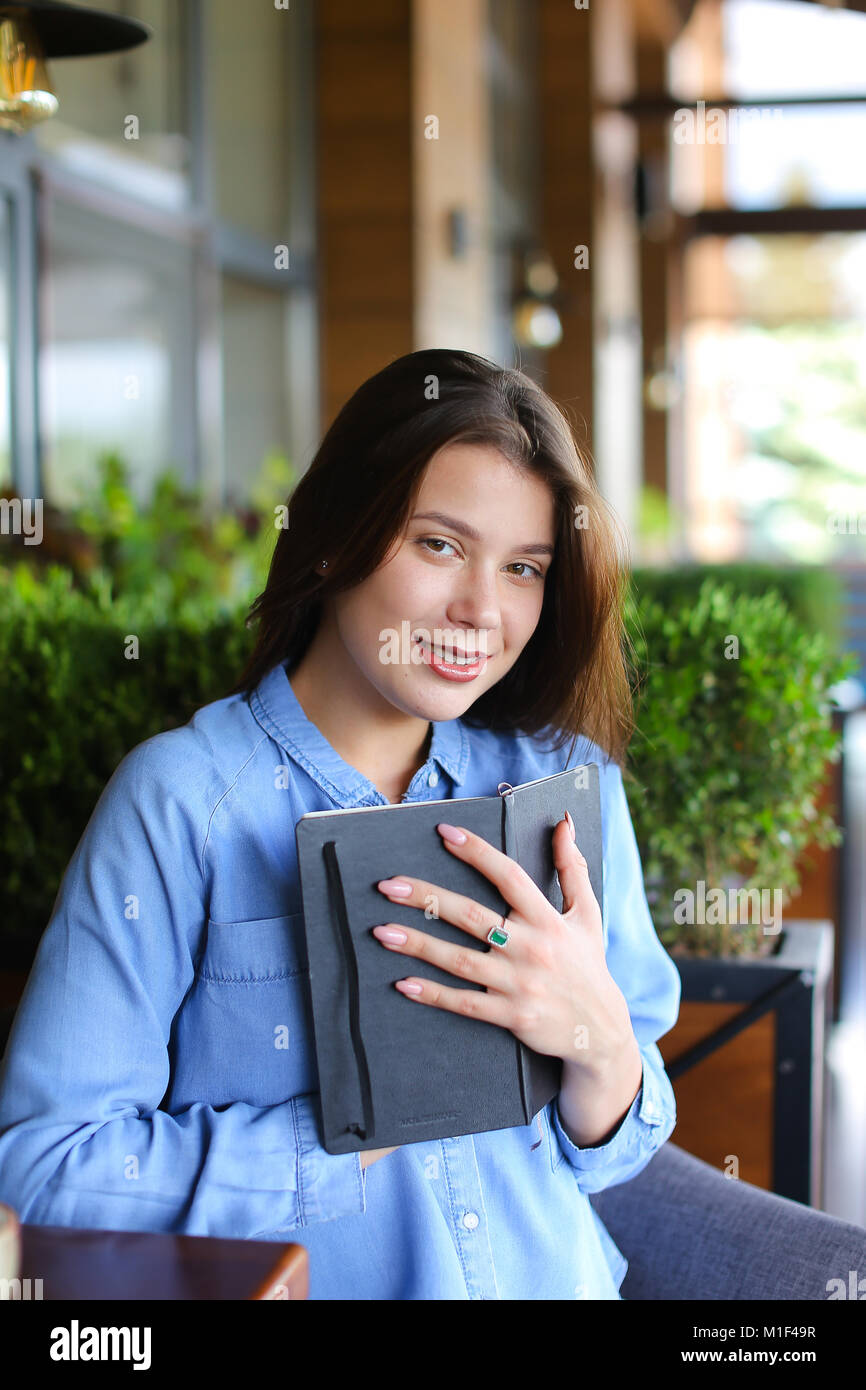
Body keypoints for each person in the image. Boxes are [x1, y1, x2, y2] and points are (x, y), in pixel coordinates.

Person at [0, 347, 681, 1300]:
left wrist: (603, 1045)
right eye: (438, 544)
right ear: (332, 537)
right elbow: (47, 1170)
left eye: (524, 567)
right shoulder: (182, 804)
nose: (482, 610)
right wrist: (343, 1138)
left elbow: (617, 1146)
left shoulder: (564, 786)